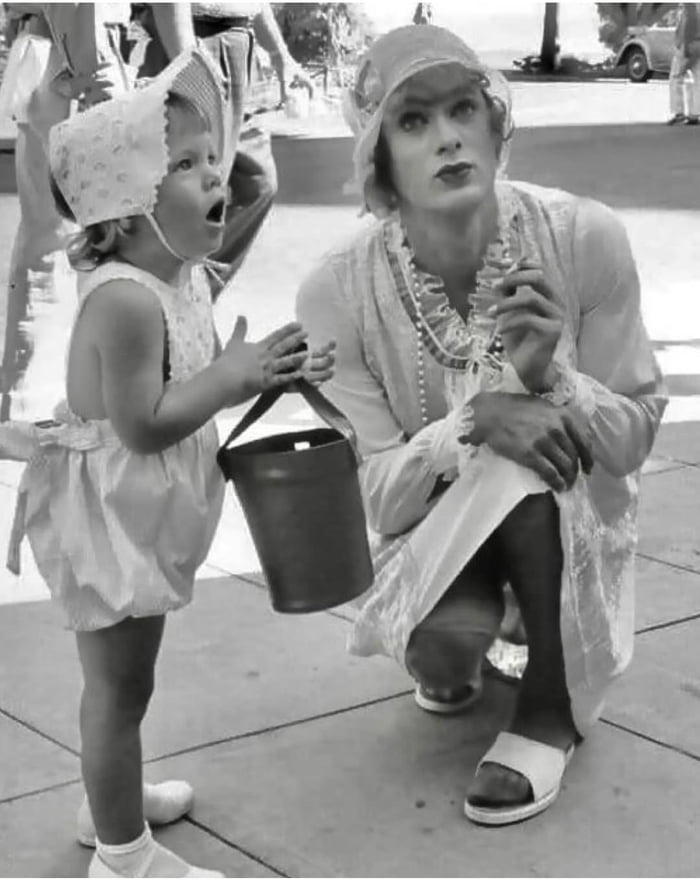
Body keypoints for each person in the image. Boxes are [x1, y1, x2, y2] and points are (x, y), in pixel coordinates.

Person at [296, 25, 667, 827]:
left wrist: (552, 378)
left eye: (464, 108)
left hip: (571, 522)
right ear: (380, 161)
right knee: (442, 652)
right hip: (435, 535)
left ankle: (547, 710)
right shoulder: (337, 290)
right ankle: (495, 618)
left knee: (530, 437)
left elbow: (635, 437)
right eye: (413, 121)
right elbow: (378, 499)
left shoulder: (583, 238)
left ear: (498, 128)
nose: (448, 137)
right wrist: (471, 420)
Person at [2, 47, 334, 878]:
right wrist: (229, 378)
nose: (214, 172)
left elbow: (196, 369)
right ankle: (121, 857)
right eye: (181, 163)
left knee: (131, 684)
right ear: (125, 204)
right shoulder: (122, 299)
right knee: (116, 691)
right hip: (109, 516)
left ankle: (104, 797)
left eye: (207, 156)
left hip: (137, 510)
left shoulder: (180, 275)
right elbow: (144, 425)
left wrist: (262, 365)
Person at [0, 2, 138, 423]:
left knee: (44, 237)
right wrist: (93, 66)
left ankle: (19, 400)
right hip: (77, 55)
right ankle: (96, 396)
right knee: (104, 240)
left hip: (42, 47)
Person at [134, 2, 315, 289]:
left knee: (257, 184)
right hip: (191, 38)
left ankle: (186, 299)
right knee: (186, 199)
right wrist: (189, 64)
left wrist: (280, 54)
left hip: (238, 43)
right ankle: (156, 308)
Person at [667, 3, 700, 125]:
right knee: (698, 80)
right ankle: (695, 114)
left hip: (688, 44)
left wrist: (685, 45)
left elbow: (690, 22)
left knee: (676, 77)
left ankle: (679, 112)